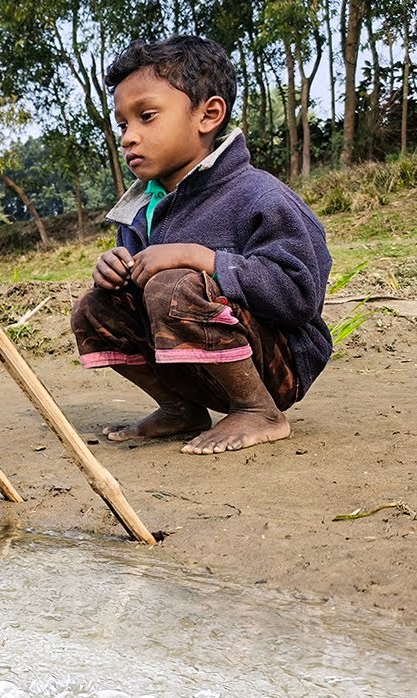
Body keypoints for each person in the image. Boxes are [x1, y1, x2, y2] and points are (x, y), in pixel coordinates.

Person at [69, 35, 332, 455]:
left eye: (147, 116)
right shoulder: (139, 212)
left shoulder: (259, 196)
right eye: (123, 124)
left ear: (208, 115)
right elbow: (141, 301)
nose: (128, 138)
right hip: (196, 364)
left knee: (173, 284)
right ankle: (180, 408)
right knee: (94, 306)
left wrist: (201, 259)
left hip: (278, 363)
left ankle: (258, 412)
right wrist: (115, 272)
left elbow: (301, 294)